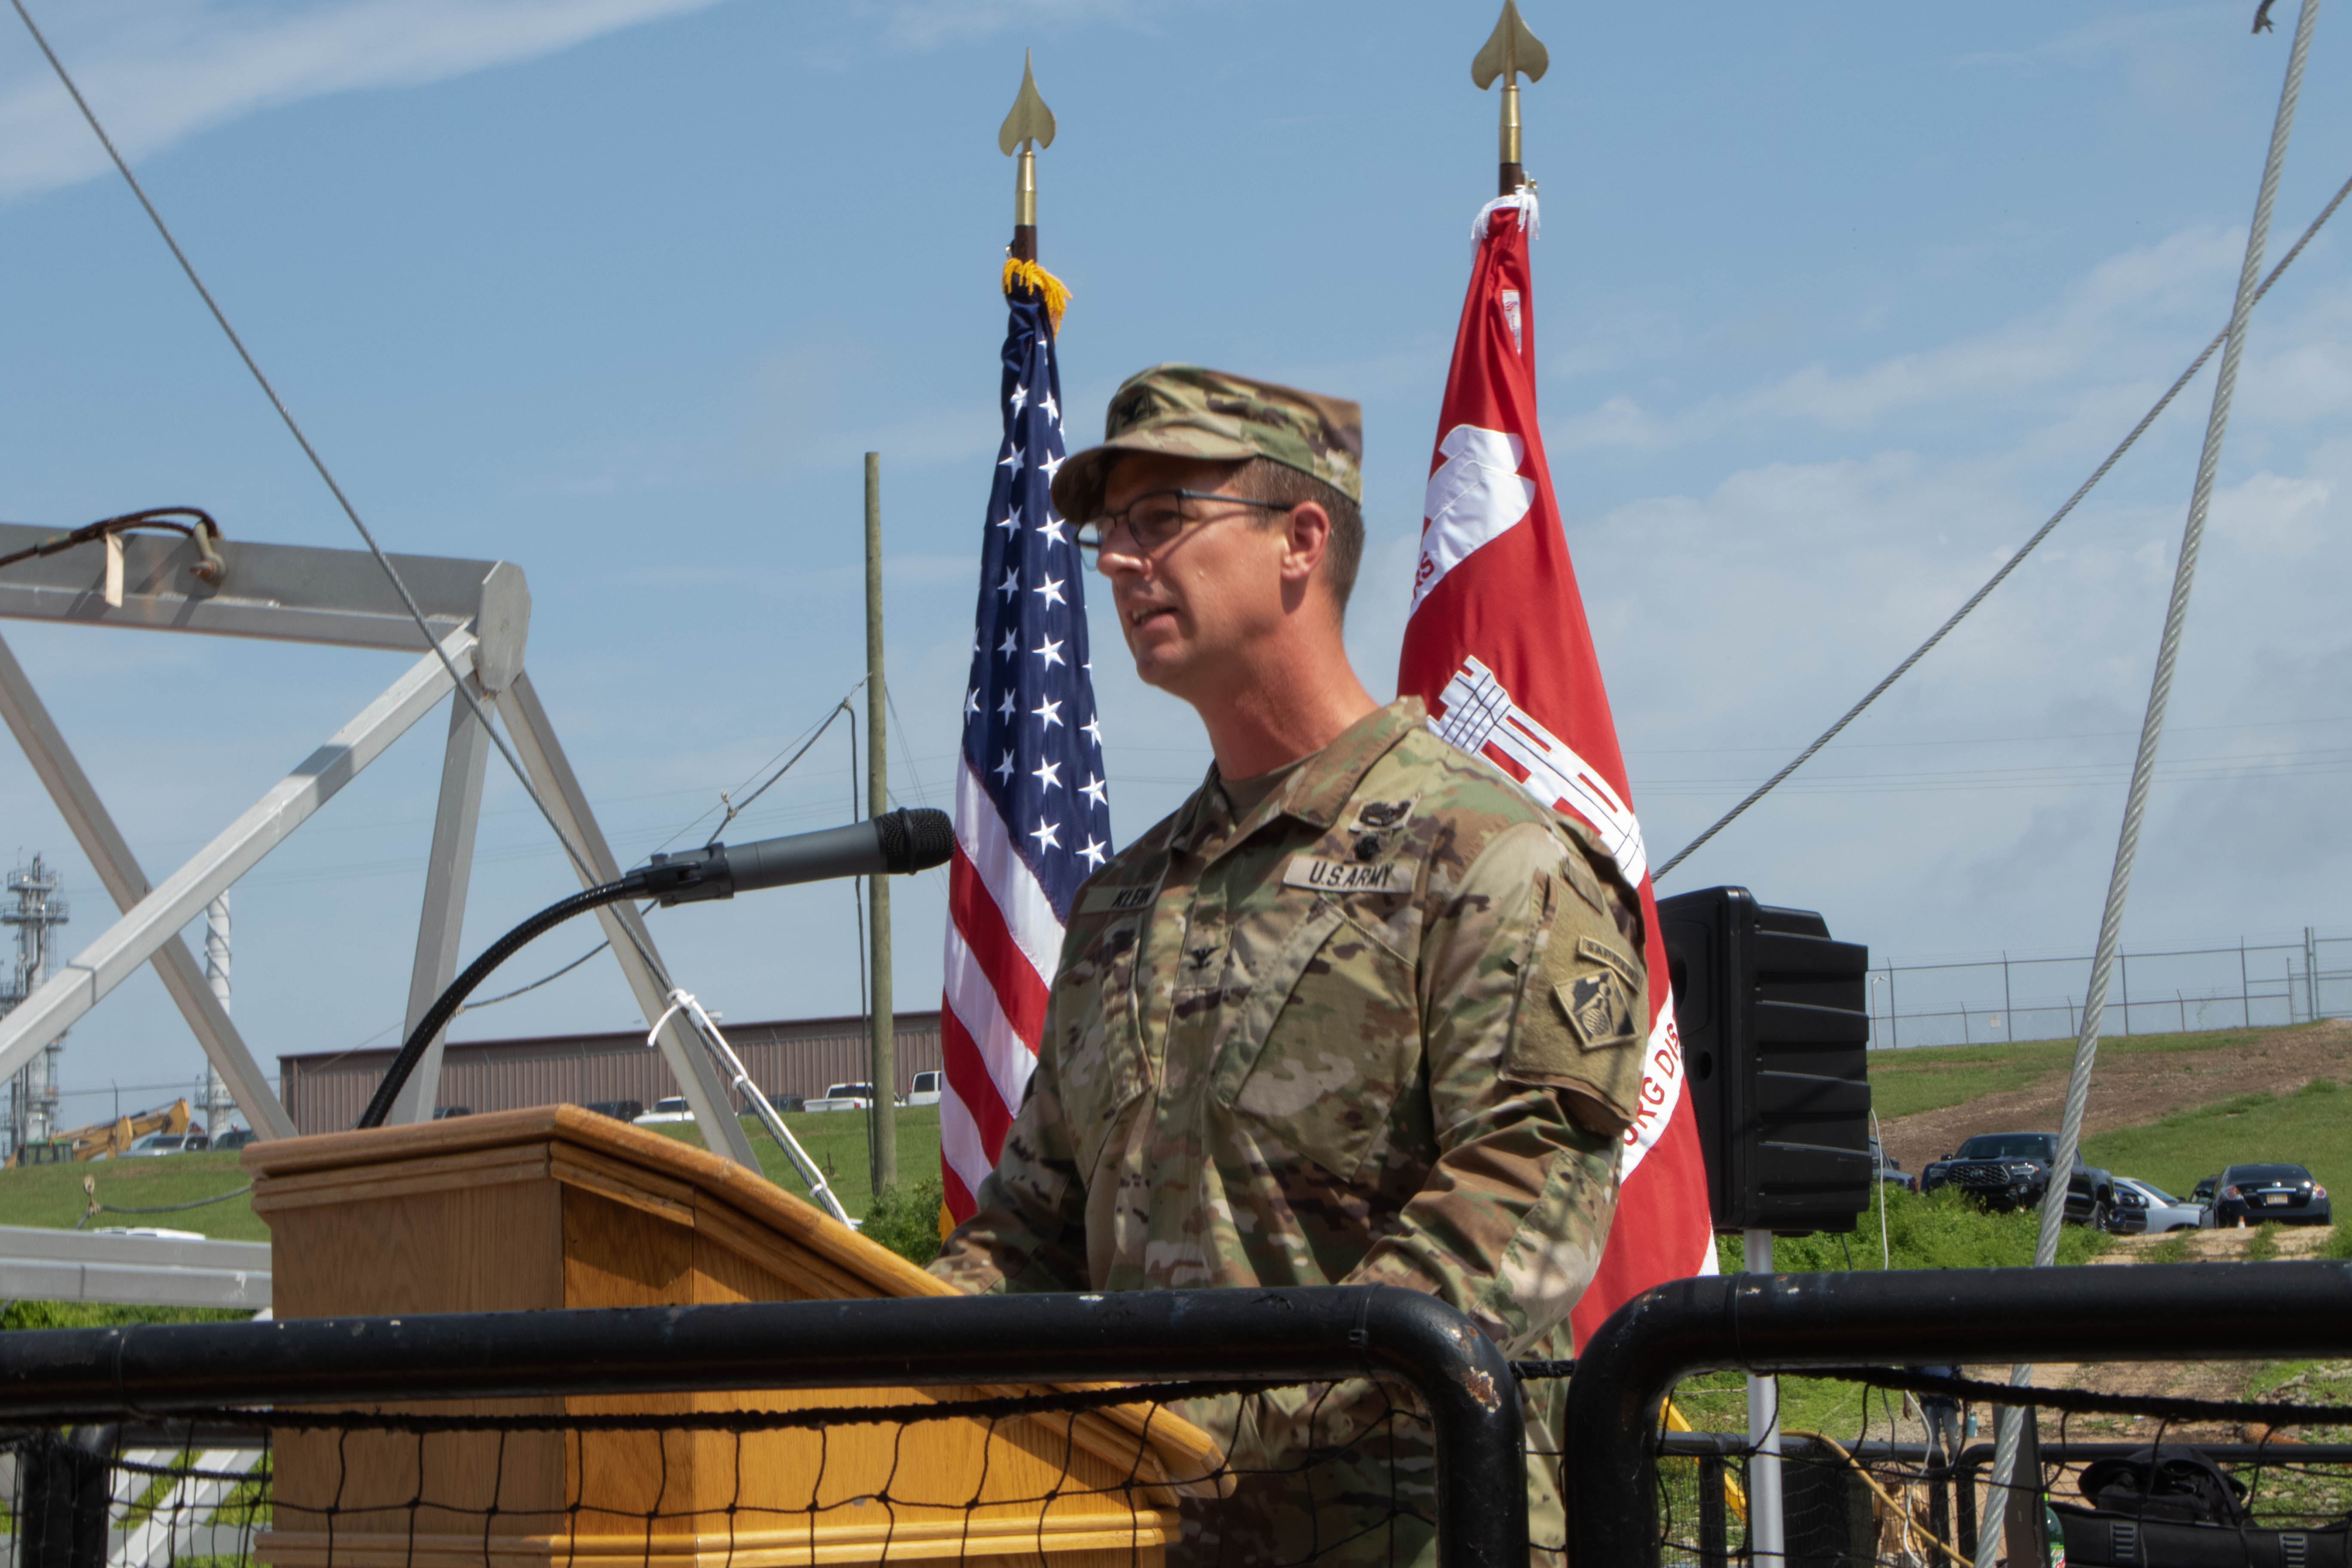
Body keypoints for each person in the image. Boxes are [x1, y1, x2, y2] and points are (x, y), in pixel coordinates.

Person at [929, 364, 1649, 1566]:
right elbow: (1028, 1232)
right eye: (1114, 532)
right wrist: (861, 1358)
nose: (1117, 561)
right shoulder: (1122, 905)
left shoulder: (1491, 859)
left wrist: (1199, 1425)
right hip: (1132, 1539)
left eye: (1162, 521)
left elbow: (1516, 1220)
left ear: (1299, 541)